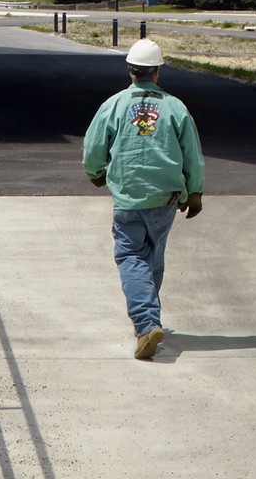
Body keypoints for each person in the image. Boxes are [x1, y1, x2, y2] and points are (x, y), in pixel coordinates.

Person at [81, 38, 204, 359]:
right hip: (165, 197)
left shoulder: (114, 105)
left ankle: (147, 323)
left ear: (130, 70)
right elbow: (192, 153)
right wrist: (195, 192)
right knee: (153, 258)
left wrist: (95, 172)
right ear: (158, 72)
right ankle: (147, 319)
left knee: (131, 258)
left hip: (128, 196)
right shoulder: (176, 107)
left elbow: (93, 147)